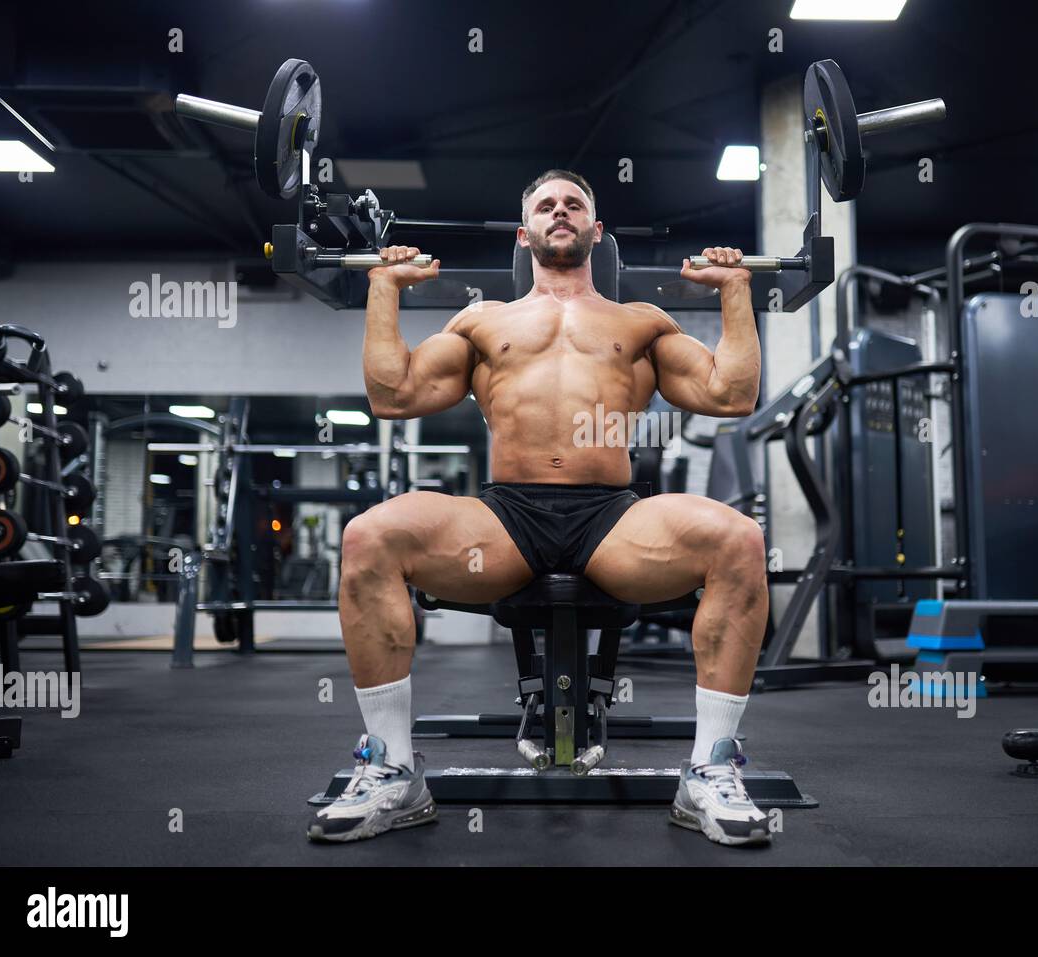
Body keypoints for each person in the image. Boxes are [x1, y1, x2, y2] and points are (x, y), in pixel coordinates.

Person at [309, 169, 770, 847]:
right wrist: (383, 288)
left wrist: (736, 290)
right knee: (369, 535)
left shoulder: (640, 323)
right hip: (505, 519)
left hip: (612, 517)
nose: (561, 211)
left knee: (738, 539)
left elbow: (731, 395)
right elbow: (394, 394)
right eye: (546, 205)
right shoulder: (483, 321)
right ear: (525, 234)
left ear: (595, 230)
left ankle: (711, 768)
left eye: (574, 203)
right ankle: (391, 768)